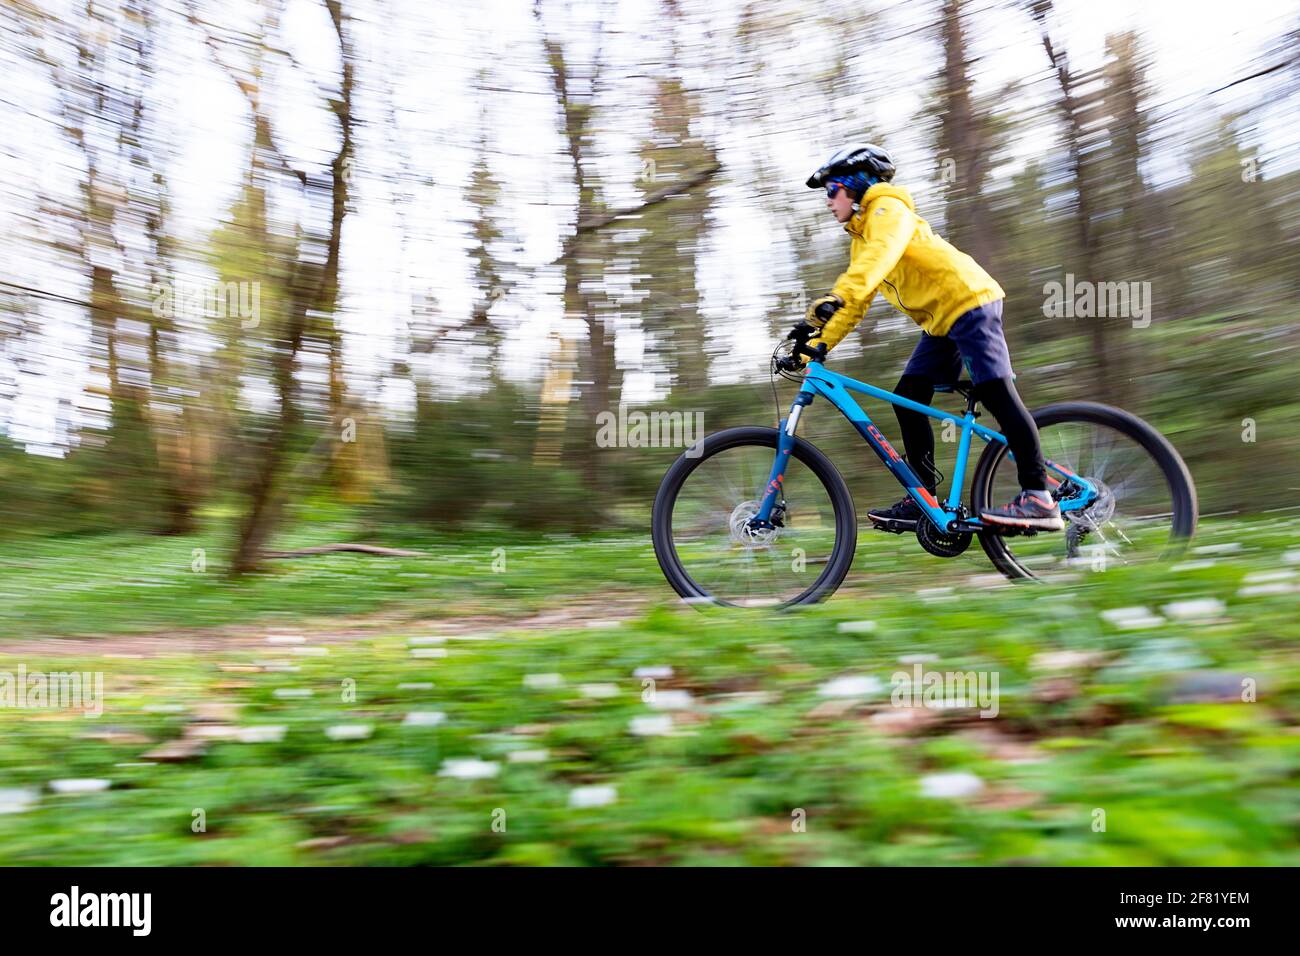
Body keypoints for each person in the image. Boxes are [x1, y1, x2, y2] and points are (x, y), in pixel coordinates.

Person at [799, 142, 1062, 532]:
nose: (827, 201)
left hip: (969, 304)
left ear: (854, 186)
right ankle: (922, 499)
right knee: (908, 399)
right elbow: (858, 302)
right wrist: (814, 347)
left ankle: (1039, 497)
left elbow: (878, 260)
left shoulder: (888, 210)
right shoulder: (861, 239)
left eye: (831, 190)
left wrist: (835, 295)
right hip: (942, 323)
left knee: (996, 392)